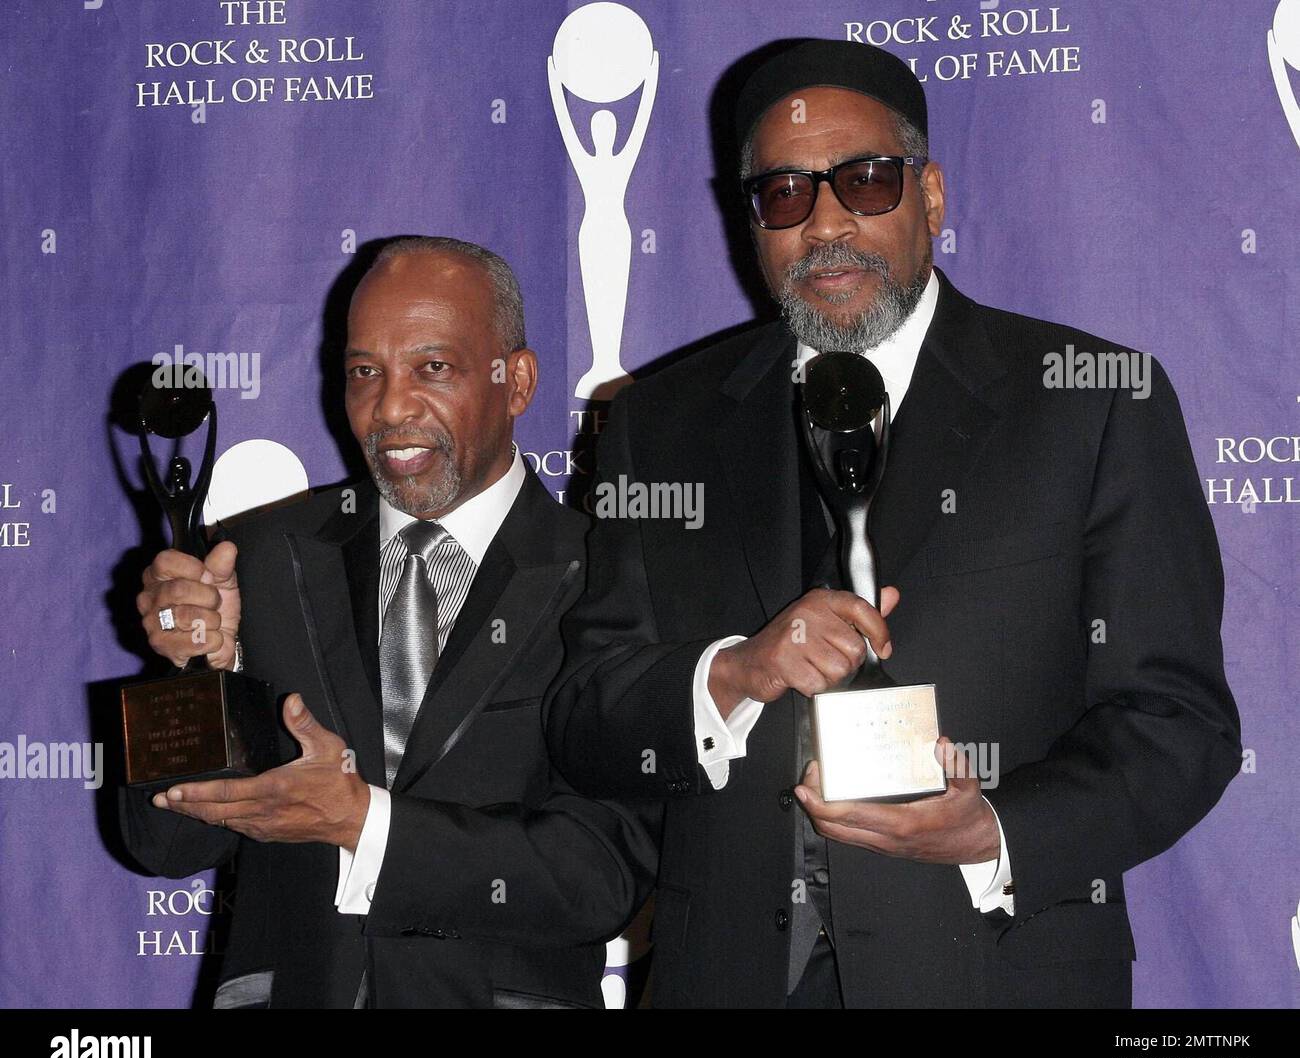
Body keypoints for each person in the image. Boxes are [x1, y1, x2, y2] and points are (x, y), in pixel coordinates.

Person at [544, 39, 1241, 1008]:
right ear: (751, 222)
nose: (826, 223)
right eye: (785, 193)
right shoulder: (658, 424)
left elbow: (1178, 725)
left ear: (932, 196)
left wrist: (992, 829)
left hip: (997, 973)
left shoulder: (1089, 404)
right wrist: (730, 673)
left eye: (865, 182)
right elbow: (584, 718)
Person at [121, 236, 656, 1008]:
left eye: (432, 368)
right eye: (364, 372)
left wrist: (365, 823)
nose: (391, 408)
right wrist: (203, 673)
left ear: (519, 380)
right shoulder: (261, 560)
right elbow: (165, 843)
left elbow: (601, 871)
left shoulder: (604, 573)